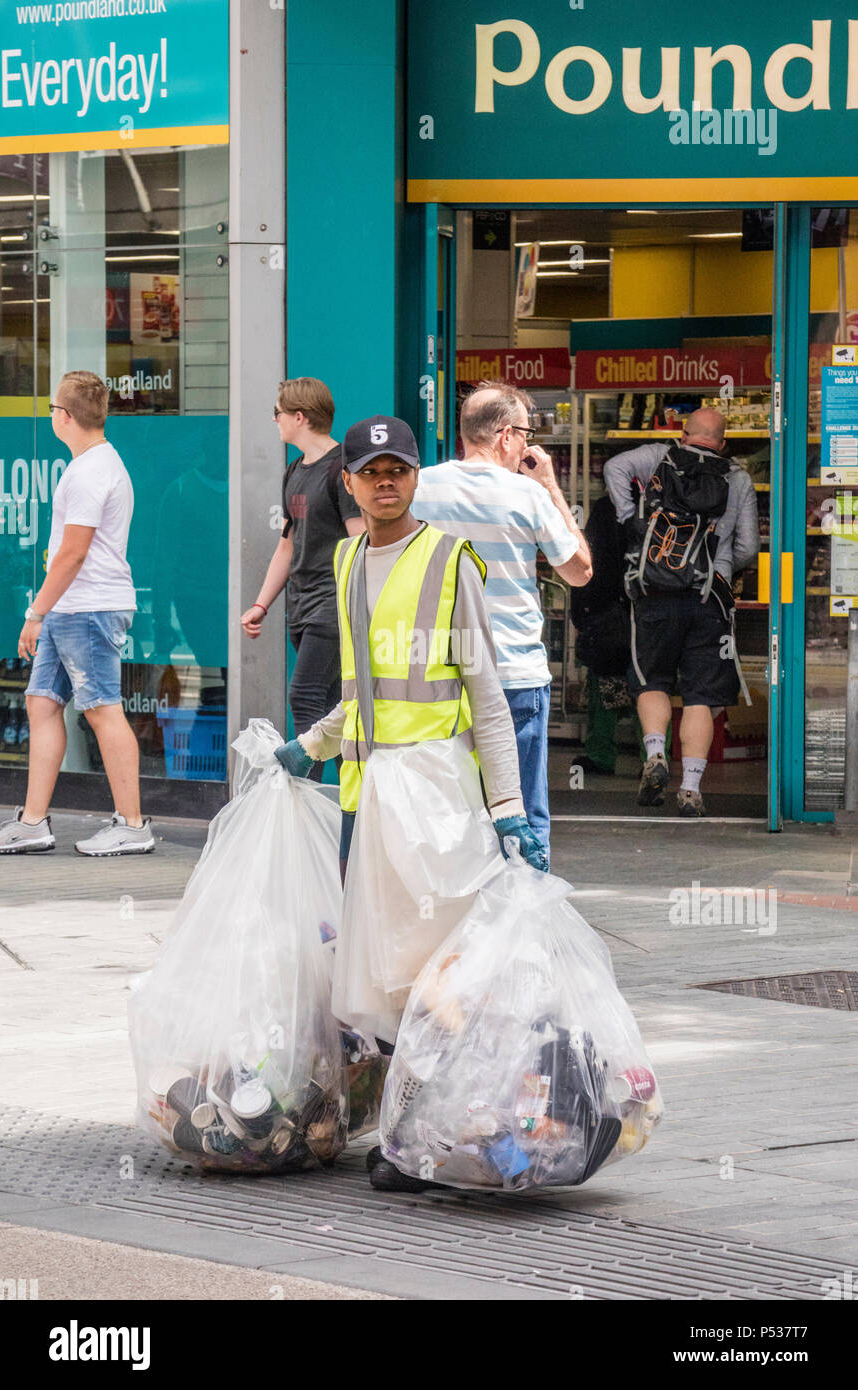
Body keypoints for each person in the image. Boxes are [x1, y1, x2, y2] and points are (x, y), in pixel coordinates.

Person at [275, 414, 545, 1191]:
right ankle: (413, 1136)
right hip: (372, 797)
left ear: (415, 477)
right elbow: (362, 693)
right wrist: (314, 746)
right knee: (389, 985)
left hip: (436, 797)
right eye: (371, 471)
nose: (385, 480)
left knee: (440, 979)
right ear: (350, 483)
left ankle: (434, 1137)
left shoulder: (447, 560)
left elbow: (486, 698)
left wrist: (506, 809)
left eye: (398, 468)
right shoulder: (348, 557)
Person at [411, 382, 592, 867]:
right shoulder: (526, 495)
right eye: (528, 436)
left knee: (446, 810)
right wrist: (550, 486)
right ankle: (524, 927)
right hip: (512, 675)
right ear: (508, 436)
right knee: (522, 814)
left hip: (436, 676)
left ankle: (457, 921)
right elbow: (579, 570)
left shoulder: (420, 487)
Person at [0, 370, 153, 856]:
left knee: (103, 710)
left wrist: (35, 612)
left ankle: (132, 825)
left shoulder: (89, 473)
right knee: (41, 703)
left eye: (51, 410)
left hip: (87, 608)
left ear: (62, 417)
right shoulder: (95, 464)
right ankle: (33, 822)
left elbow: (72, 554)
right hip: (75, 607)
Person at [603, 407, 759, 816]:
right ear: (722, 443)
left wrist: (629, 518)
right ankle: (690, 789)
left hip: (654, 591)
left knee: (651, 680)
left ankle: (655, 755)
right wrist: (724, 565)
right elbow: (747, 547)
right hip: (710, 596)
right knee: (700, 695)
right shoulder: (737, 477)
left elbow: (615, 467)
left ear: (684, 433)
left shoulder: (660, 456)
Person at [241, 378, 365, 781]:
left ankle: (306, 798)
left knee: (305, 694)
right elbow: (287, 546)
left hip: (334, 604)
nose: (274, 421)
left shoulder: (341, 468)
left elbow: (359, 540)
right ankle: (349, 810)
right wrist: (261, 605)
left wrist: (359, 603)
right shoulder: (294, 470)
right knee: (336, 708)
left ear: (299, 417)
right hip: (303, 605)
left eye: (277, 413)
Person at [569, 493, 639, 778]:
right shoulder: (654, 504)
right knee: (649, 687)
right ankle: (654, 756)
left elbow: (587, 564)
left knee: (603, 689)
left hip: (605, 617)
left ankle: (601, 754)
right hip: (645, 611)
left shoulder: (603, 509)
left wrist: (581, 614)